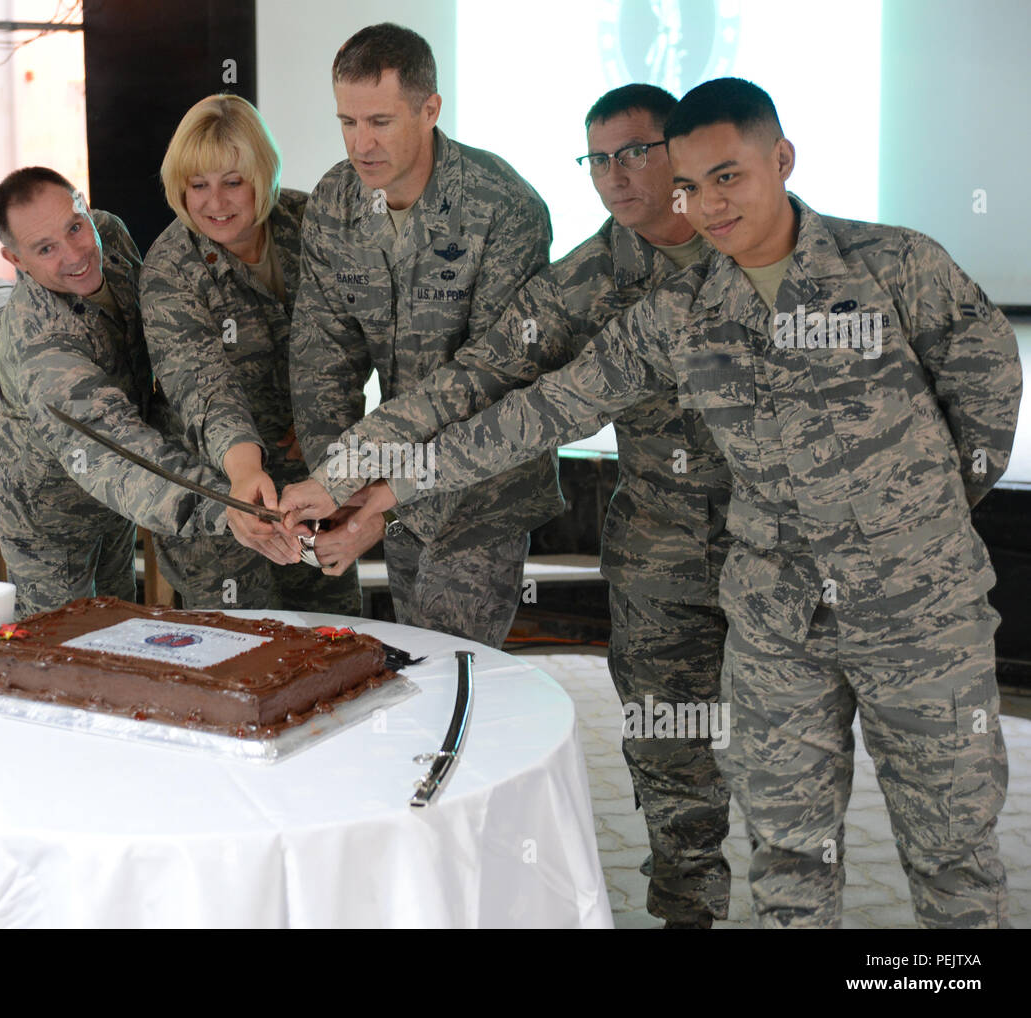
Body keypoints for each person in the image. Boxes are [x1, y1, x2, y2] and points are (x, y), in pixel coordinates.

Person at [292, 78, 1021, 929]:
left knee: (953, 850)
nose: (706, 203)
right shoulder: (677, 313)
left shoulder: (899, 266)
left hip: (918, 612)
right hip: (777, 619)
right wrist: (381, 482)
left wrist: (911, 519)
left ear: (779, 160)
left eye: (728, 178)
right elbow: (541, 407)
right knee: (786, 849)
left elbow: (984, 398)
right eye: (690, 183)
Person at [281, 84, 732, 927]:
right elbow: (497, 385)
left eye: (635, 151)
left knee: (800, 766)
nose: (615, 177)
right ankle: (688, 915)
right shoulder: (599, 275)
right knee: (670, 752)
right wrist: (361, 478)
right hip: (665, 549)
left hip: (796, 556)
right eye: (597, 159)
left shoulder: (788, 256)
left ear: (688, 149)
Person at [289, 22, 560, 647]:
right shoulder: (335, 201)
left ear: (430, 108)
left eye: (380, 121)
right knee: (407, 668)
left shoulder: (503, 208)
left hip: (478, 491)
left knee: (455, 673)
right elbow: (320, 362)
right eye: (347, 122)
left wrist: (378, 505)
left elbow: (489, 382)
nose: (362, 143)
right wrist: (342, 493)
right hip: (382, 475)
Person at [0, 166, 230, 618]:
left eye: (75, 226)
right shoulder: (40, 344)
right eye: (45, 249)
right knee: (60, 643)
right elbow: (113, 446)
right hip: (43, 506)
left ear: (84, 207)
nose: (75, 254)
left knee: (116, 615)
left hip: (113, 491)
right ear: (16, 261)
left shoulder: (108, 233)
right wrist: (232, 510)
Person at [139, 94, 360, 612]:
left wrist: (323, 421)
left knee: (333, 632)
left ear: (262, 177)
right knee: (242, 642)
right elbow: (203, 386)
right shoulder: (170, 268)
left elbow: (361, 330)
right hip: (220, 484)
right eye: (199, 185)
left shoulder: (314, 224)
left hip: (314, 472)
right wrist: (242, 471)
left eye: (232, 182)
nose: (215, 203)